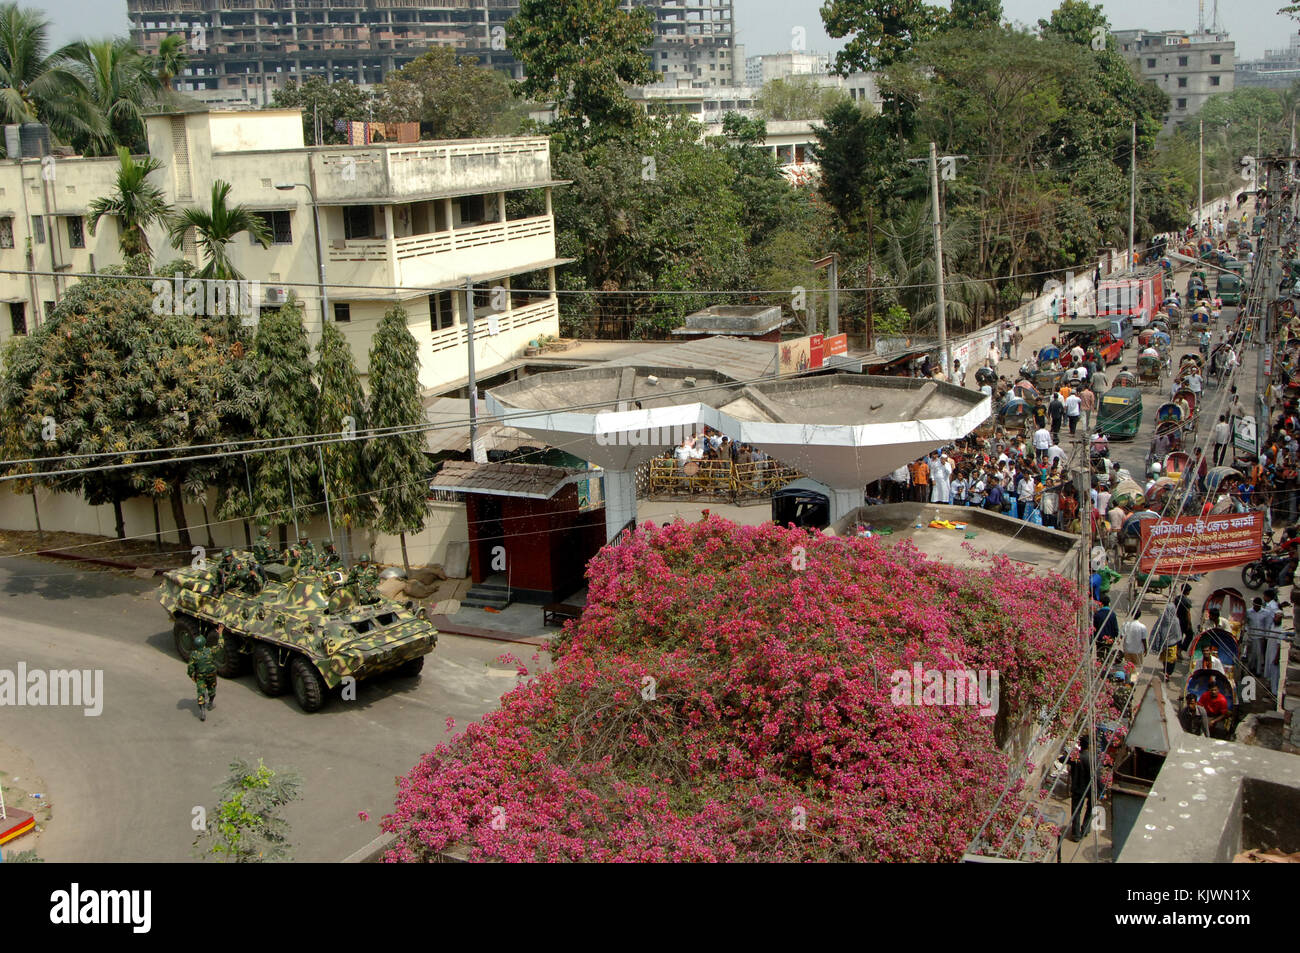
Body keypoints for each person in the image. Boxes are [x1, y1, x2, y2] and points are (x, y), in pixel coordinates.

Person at [187, 634, 218, 721]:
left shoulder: (193, 655)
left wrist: (193, 677)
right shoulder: (210, 650)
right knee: (212, 690)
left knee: (201, 693)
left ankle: (202, 712)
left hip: (200, 677)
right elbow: (220, 646)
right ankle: (210, 704)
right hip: (211, 675)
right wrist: (220, 634)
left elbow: (190, 669)